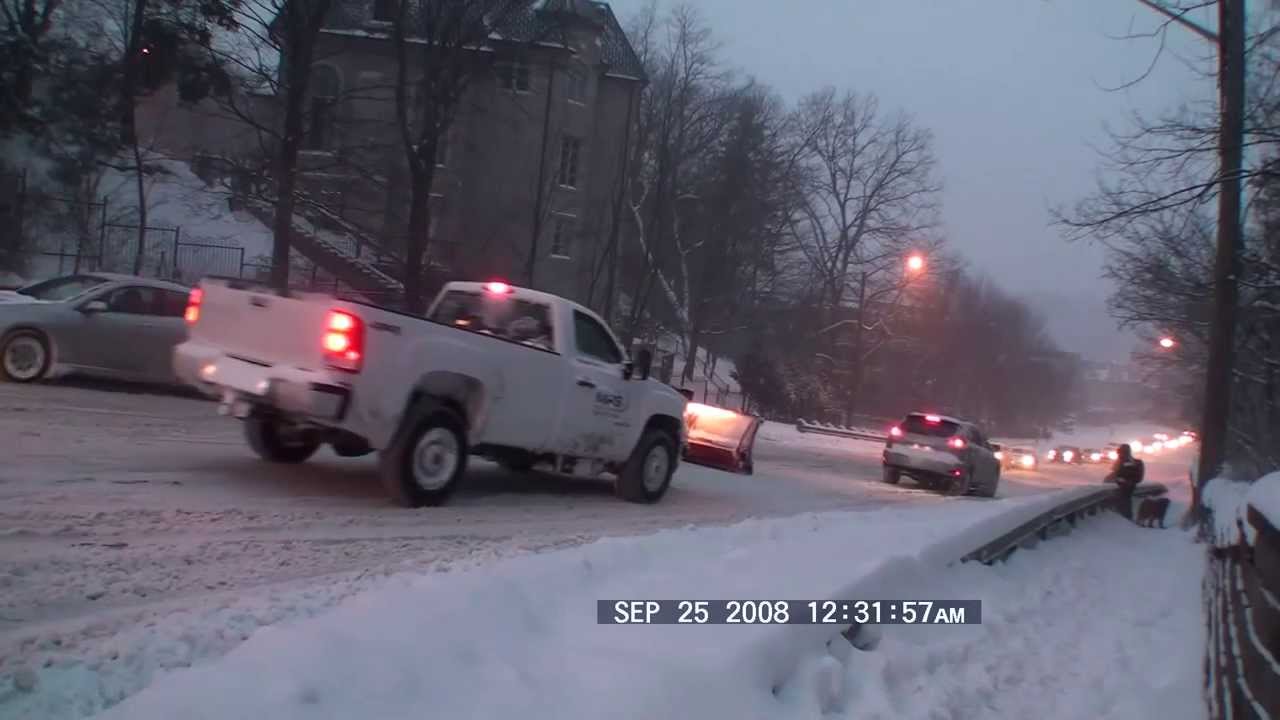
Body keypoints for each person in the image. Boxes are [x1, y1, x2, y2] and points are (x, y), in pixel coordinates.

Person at [1104, 443, 1145, 520]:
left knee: (1124, 505)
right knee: (1125, 505)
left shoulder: (1130, 463)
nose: (1119, 455)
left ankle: (1126, 521)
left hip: (1125, 489)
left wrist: (1122, 480)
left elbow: (1123, 474)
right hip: (1124, 489)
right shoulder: (1123, 462)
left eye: (1121, 453)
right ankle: (1126, 520)